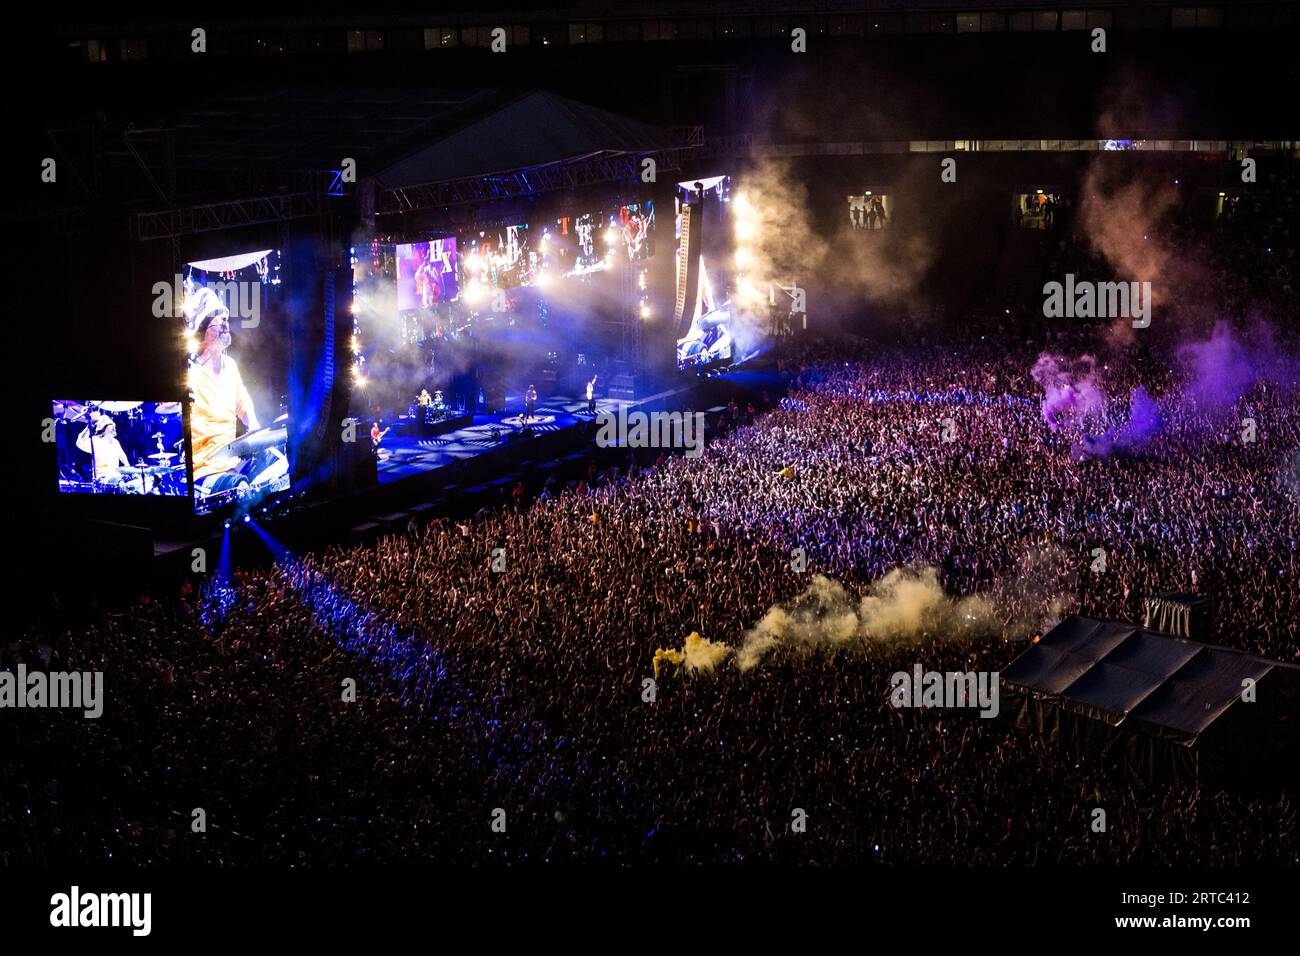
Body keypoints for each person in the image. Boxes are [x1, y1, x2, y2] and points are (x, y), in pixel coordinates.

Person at [186, 288, 259, 482]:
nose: (226, 324)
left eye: (225, 319)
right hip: (204, 471)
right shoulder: (190, 375)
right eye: (219, 320)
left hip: (232, 464)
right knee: (240, 487)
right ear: (203, 330)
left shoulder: (231, 366)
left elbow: (242, 404)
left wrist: (255, 428)